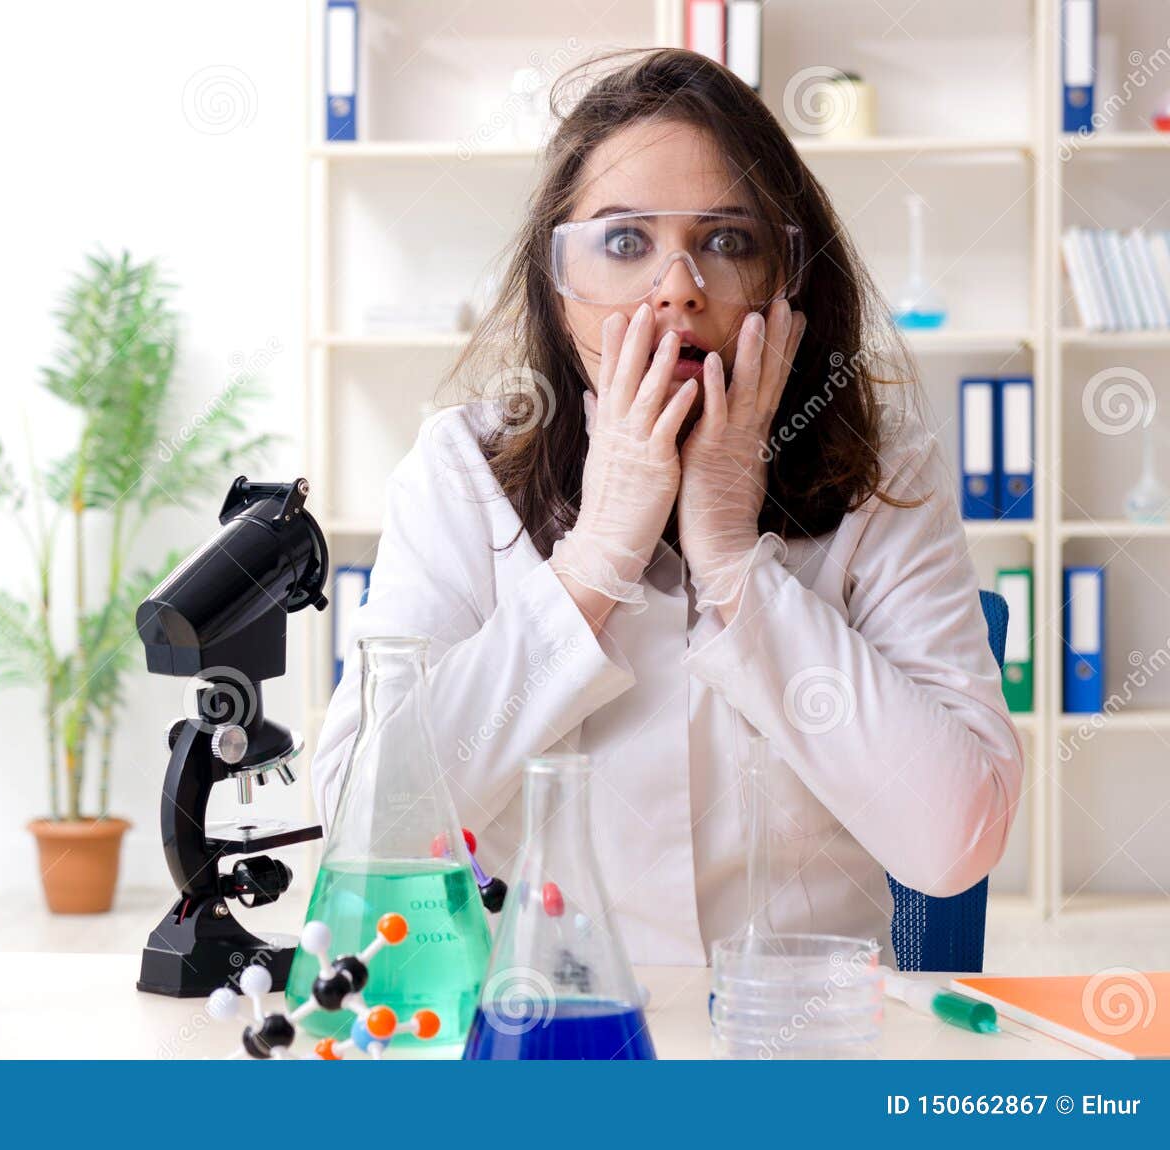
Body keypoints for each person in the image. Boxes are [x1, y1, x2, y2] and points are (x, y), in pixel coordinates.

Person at [309, 49, 1023, 965]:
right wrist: (598, 556)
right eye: (623, 241)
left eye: (729, 241)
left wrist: (732, 561)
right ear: (561, 291)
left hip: (793, 1045)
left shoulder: (882, 475)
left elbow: (954, 843)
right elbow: (366, 832)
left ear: (788, 282)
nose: (678, 287)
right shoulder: (463, 469)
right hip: (549, 1037)